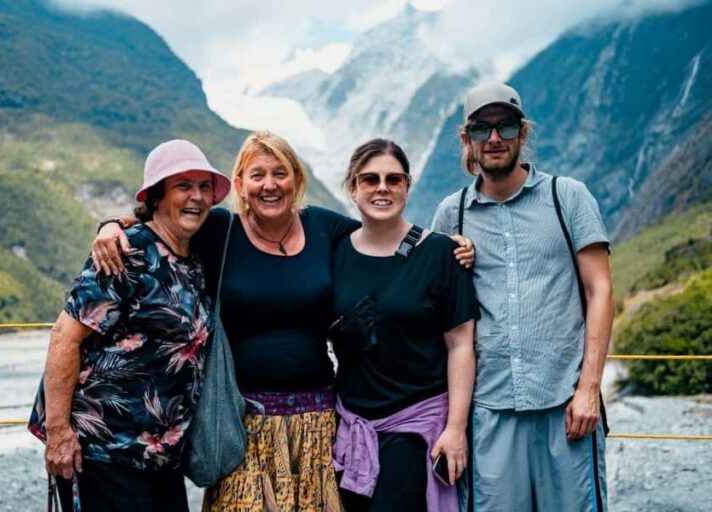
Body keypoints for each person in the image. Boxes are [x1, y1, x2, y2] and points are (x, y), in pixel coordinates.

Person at [92, 131, 476, 512]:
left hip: (320, 423)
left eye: (281, 173)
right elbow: (166, 222)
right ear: (240, 184)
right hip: (245, 426)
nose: (270, 185)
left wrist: (449, 246)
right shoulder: (220, 231)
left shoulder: (324, 228)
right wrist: (113, 225)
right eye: (258, 175)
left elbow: (381, 232)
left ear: (297, 179)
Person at [431, 83, 614, 511]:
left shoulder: (567, 197)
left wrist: (589, 388)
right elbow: (431, 306)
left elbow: (600, 291)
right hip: (489, 411)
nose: (494, 139)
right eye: (481, 130)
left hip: (566, 406)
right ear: (466, 140)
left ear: (522, 133)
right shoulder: (450, 214)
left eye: (505, 126)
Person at [28, 139, 232, 511]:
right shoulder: (127, 253)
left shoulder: (194, 255)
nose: (197, 197)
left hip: (159, 457)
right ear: (156, 195)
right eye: (183, 186)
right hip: (103, 451)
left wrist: (113, 220)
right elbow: (65, 335)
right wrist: (58, 433)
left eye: (204, 187)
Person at [329, 139, 479, 512]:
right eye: (370, 179)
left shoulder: (442, 254)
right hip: (350, 427)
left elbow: (461, 345)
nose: (382, 188)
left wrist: (456, 428)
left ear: (407, 187)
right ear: (353, 187)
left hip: (415, 428)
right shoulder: (335, 252)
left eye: (394, 179)